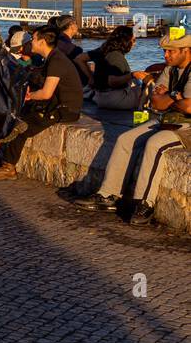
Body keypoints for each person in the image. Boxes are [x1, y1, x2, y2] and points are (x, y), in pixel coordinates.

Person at [74, 28, 191, 224]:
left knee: (154, 144)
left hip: (185, 127)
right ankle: (108, 195)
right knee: (125, 139)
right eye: (165, 51)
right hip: (167, 120)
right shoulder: (170, 69)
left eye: (171, 51)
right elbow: (155, 102)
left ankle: (144, 202)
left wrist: (168, 98)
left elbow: (188, 106)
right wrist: (174, 97)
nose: (166, 55)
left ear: (186, 50)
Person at [0, 25, 84, 180]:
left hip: (64, 109)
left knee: (20, 127)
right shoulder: (51, 58)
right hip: (53, 105)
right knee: (10, 117)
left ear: (42, 42)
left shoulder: (56, 61)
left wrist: (28, 96)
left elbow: (45, 93)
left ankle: (8, 167)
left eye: (34, 39)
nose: (31, 42)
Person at [89, 25, 147, 110]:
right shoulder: (115, 56)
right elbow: (112, 81)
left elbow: (81, 58)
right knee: (148, 90)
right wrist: (132, 75)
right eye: (133, 40)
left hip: (101, 97)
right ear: (125, 41)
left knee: (136, 82)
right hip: (114, 99)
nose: (134, 44)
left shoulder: (105, 51)